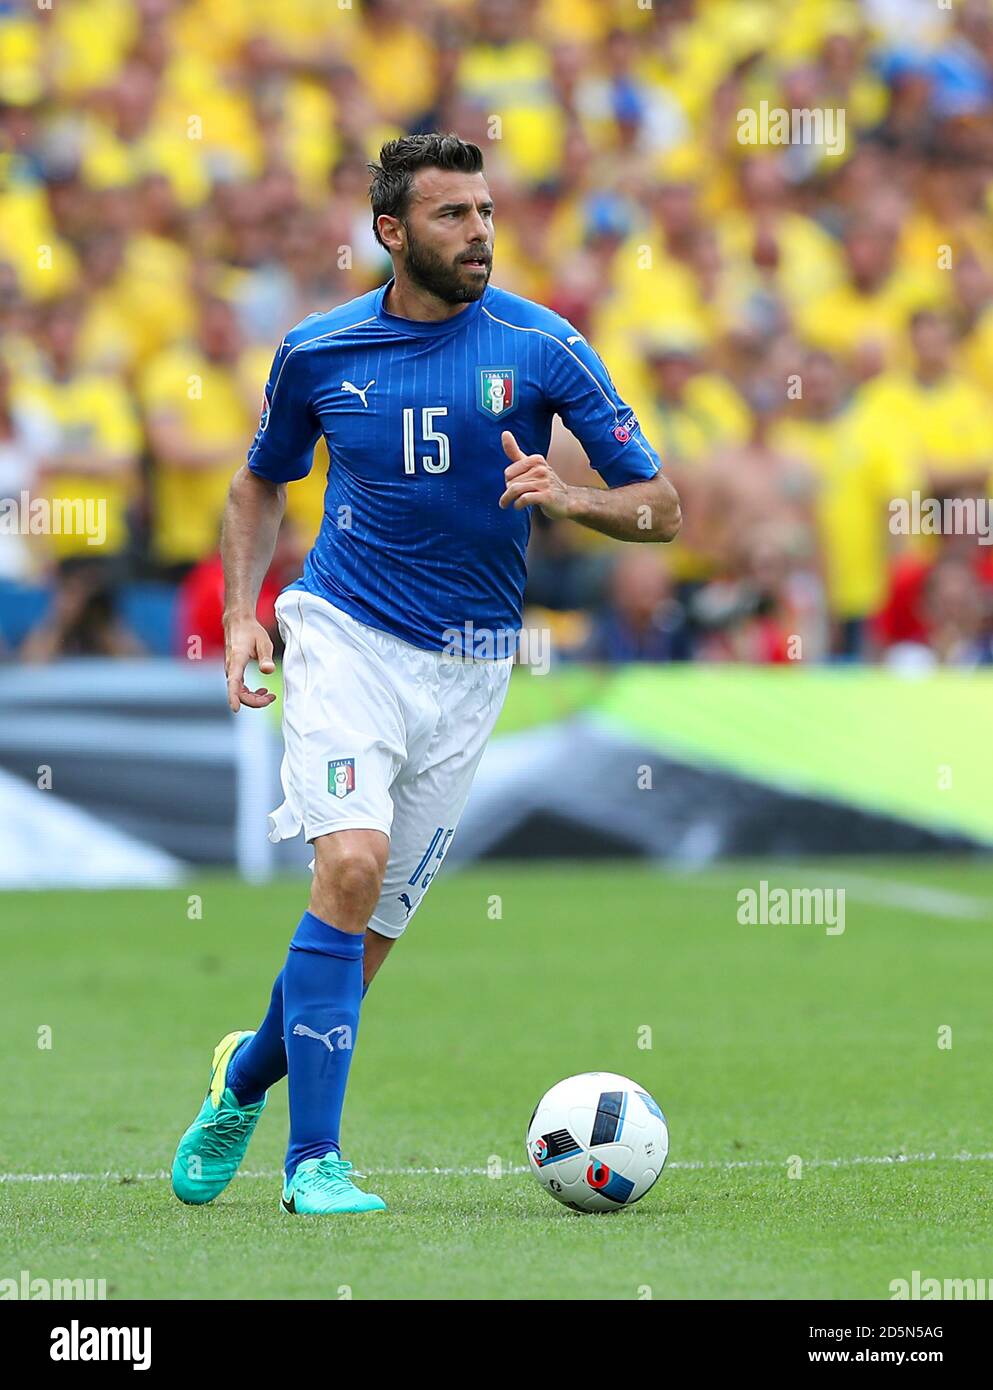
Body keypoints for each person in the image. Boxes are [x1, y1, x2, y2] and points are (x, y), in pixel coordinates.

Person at [170, 133, 681, 1217]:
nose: (480, 233)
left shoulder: (546, 347)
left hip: (472, 667)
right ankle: (315, 1164)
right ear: (391, 232)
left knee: (358, 944)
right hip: (344, 635)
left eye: (487, 211)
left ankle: (242, 1078)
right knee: (349, 867)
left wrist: (574, 500)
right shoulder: (318, 351)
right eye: (452, 216)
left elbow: (663, 506)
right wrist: (239, 617)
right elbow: (258, 486)